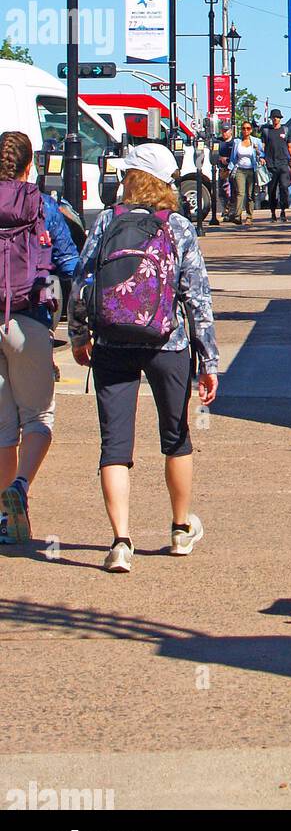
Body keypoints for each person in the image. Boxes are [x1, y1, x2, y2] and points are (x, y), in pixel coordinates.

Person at [68, 143, 219, 573]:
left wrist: (80, 335)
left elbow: (82, 284)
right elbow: (197, 298)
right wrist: (209, 361)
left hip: (113, 343)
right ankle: (179, 530)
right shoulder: (177, 227)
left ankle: (120, 542)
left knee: (114, 443)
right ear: (168, 182)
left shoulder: (106, 223)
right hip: (166, 344)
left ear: (130, 178)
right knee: (175, 436)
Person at [0, 130, 80, 544]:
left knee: (1, 426)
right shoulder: (43, 207)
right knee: (38, 419)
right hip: (30, 320)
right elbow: (70, 264)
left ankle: (5, 519)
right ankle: (20, 488)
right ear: (30, 165)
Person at [262, 109, 291, 222]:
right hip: (271, 164)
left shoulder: (285, 130)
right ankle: (273, 212)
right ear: (271, 119)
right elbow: (263, 146)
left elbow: (290, 146)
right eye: (274, 117)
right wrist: (262, 157)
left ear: (280, 119)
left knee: (284, 187)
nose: (276, 119)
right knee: (271, 190)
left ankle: (283, 210)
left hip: (283, 163)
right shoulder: (266, 131)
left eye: (277, 117)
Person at [230, 120, 263, 227]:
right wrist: (229, 169)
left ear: (251, 130)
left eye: (248, 128)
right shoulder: (237, 142)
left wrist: (259, 153)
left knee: (250, 194)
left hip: (251, 170)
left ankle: (249, 217)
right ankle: (237, 216)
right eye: (244, 128)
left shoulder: (256, 141)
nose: (246, 130)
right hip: (239, 169)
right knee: (240, 193)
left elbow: (262, 154)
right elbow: (233, 158)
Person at [216, 125, 236, 222]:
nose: (224, 133)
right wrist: (220, 158)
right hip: (222, 170)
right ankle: (225, 211)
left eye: (226, 131)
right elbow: (214, 153)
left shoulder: (235, 142)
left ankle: (231, 212)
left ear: (231, 131)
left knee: (232, 192)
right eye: (223, 131)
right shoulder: (218, 141)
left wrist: (229, 160)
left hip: (233, 170)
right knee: (222, 192)